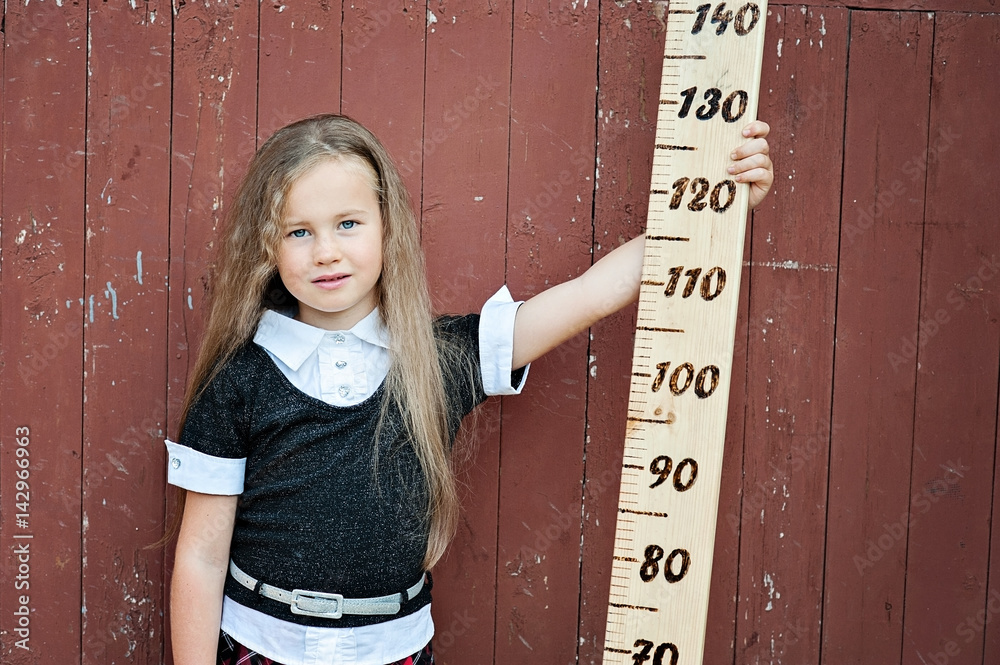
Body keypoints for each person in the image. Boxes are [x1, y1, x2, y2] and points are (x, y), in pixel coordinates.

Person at [166, 114, 773, 665]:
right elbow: (199, 557)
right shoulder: (238, 379)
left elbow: (592, 293)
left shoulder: (441, 357)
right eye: (298, 232)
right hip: (262, 647)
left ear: (388, 228)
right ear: (267, 245)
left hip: (394, 651)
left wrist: (715, 202)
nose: (326, 252)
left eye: (348, 224)